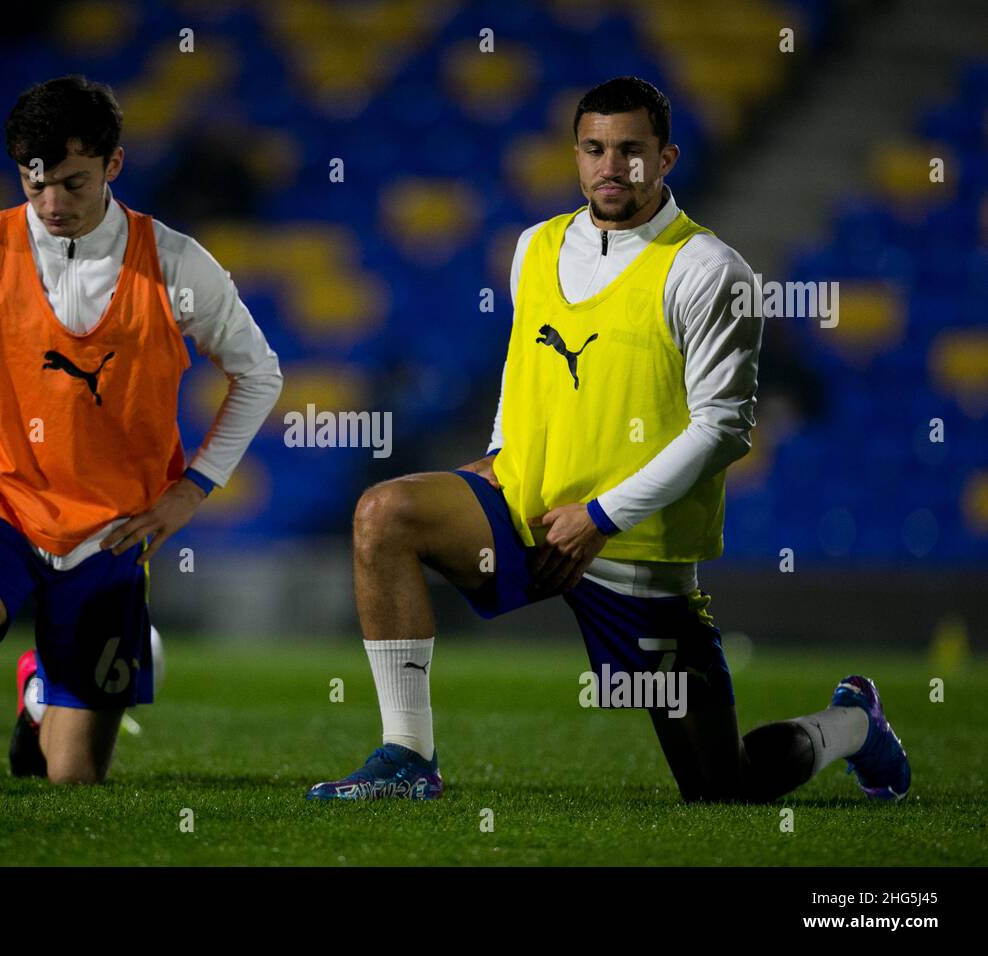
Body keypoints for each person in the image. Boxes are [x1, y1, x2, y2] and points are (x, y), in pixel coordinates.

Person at [306, 77, 909, 804]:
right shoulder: (535, 246)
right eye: (595, 148)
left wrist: (600, 518)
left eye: (631, 150)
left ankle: (850, 723)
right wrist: (503, 453)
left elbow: (722, 429)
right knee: (385, 514)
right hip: (529, 515)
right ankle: (408, 757)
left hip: (635, 553)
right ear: (576, 154)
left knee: (721, 789)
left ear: (667, 158)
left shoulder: (708, 271)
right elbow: (525, 362)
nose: (610, 167)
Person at [0, 75, 282, 791]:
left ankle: (38, 701)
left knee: (70, 778)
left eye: (72, 183)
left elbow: (260, 374)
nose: (50, 205)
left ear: (114, 165)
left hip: (112, 531)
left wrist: (193, 489)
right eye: (34, 184)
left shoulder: (175, 265)